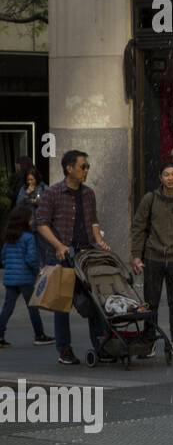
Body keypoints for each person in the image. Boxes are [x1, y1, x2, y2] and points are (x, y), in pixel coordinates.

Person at [34, 150, 110, 366]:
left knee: (95, 301)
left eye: (87, 167)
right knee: (62, 304)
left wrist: (99, 240)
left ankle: (101, 346)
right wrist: (59, 245)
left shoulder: (88, 194)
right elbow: (41, 223)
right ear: (69, 168)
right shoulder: (53, 192)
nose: (86, 170)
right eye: (82, 166)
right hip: (62, 255)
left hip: (86, 254)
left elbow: (93, 221)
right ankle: (64, 349)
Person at [129, 163, 173, 357]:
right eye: (166, 174)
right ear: (160, 177)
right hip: (153, 258)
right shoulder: (149, 199)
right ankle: (149, 341)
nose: (170, 178)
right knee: (150, 302)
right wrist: (136, 255)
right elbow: (138, 227)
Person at [0, 206, 54, 348]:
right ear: (25, 221)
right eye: (31, 218)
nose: (33, 221)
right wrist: (37, 270)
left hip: (11, 278)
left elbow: (3, 257)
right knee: (33, 307)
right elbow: (31, 259)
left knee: (7, 307)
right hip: (25, 278)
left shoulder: (8, 237)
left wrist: (11, 268)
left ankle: (0, 335)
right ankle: (39, 335)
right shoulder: (28, 237)